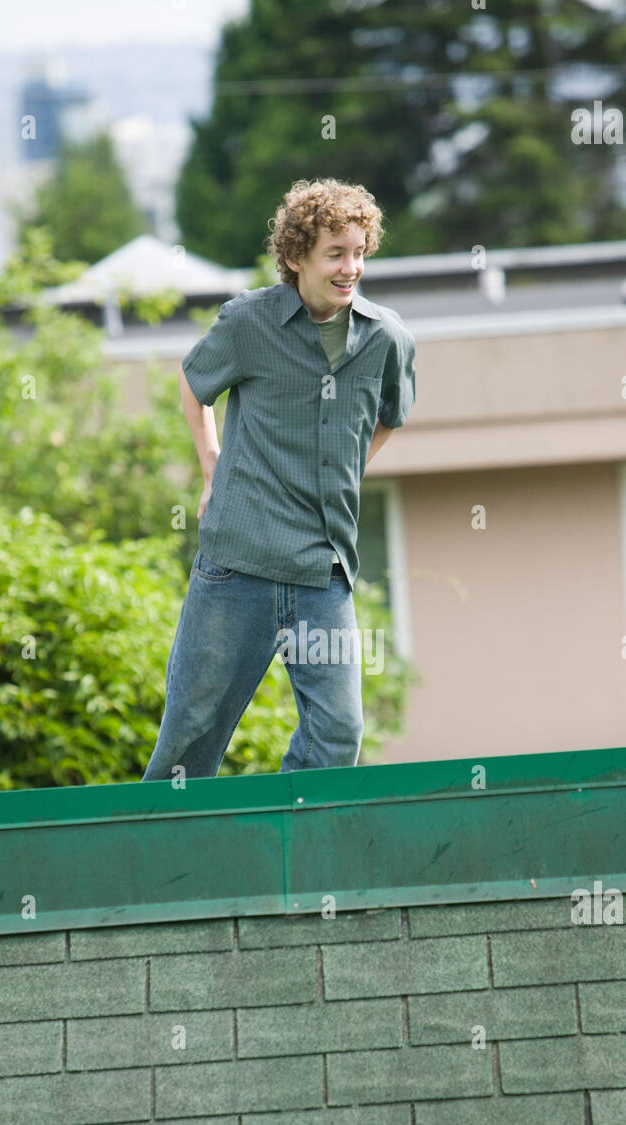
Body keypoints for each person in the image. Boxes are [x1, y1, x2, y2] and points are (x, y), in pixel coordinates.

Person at [141, 177, 416, 783]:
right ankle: (166, 866)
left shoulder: (387, 338)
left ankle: (288, 851)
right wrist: (212, 466)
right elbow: (193, 388)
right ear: (296, 257)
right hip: (237, 565)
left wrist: (342, 469)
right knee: (191, 734)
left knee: (339, 734)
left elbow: (391, 416)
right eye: (336, 254)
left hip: (324, 573)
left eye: (360, 252)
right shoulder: (249, 322)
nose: (352, 269)